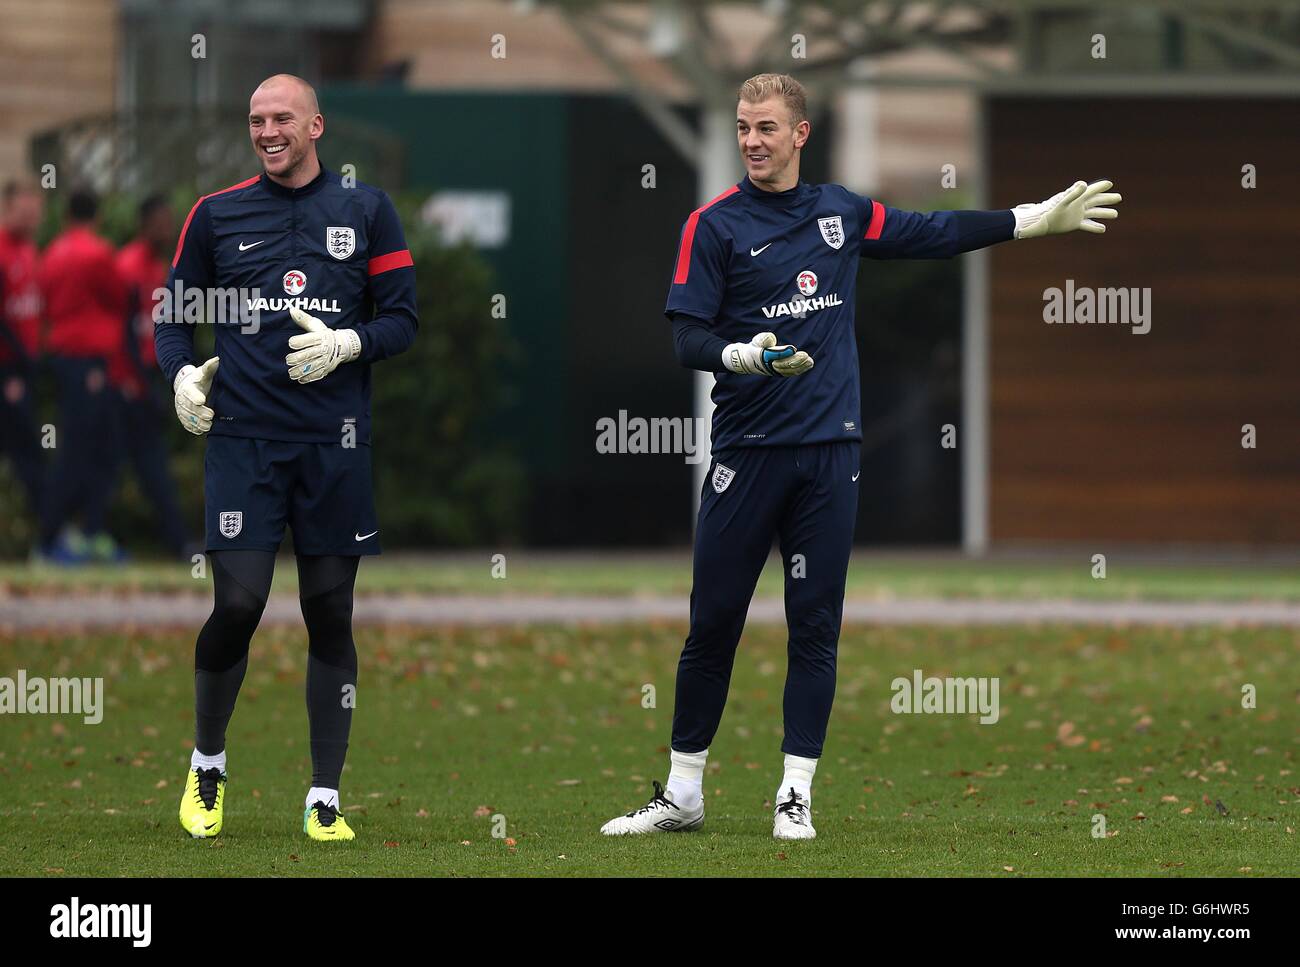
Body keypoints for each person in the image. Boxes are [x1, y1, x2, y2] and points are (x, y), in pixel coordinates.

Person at [601, 72, 1121, 840]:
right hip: (745, 454)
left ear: (801, 134)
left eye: (767, 127)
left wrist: (1027, 220)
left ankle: (795, 794)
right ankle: (682, 793)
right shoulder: (712, 226)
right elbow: (686, 338)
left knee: (815, 626)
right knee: (713, 624)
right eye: (744, 126)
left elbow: (930, 233)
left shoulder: (841, 211)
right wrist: (740, 356)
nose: (751, 140)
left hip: (828, 457)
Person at [156, 74, 418, 841]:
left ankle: (323, 796)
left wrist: (349, 342)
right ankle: (208, 764)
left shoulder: (366, 210)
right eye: (255, 120)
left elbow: (402, 320)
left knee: (329, 614)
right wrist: (178, 373)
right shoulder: (215, 214)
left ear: (316, 126)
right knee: (237, 605)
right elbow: (174, 313)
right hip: (244, 442)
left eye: (281, 119)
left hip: (335, 446)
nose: (267, 130)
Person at [37, 187, 128, 563]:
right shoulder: (98, 253)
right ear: (98, 215)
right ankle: (49, 540)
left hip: (62, 356)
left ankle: (89, 531)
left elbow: (43, 299)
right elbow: (120, 297)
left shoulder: (53, 252)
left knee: (91, 448)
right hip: (90, 362)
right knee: (82, 452)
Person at [107, 194, 192, 558]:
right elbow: (120, 331)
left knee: (150, 468)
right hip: (124, 383)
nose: (168, 228)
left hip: (148, 380)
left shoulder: (161, 268)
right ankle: (87, 538)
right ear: (145, 223)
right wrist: (137, 383)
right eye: (161, 221)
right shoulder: (126, 265)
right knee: (108, 467)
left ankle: (178, 543)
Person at [0, 177, 46, 540]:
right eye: (25, 210)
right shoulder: (2, 250)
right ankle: (49, 536)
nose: (32, 216)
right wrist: (16, 367)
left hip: (24, 369)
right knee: (28, 453)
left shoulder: (31, 251)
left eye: (37, 210)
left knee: (28, 452)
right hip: (8, 371)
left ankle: (45, 535)